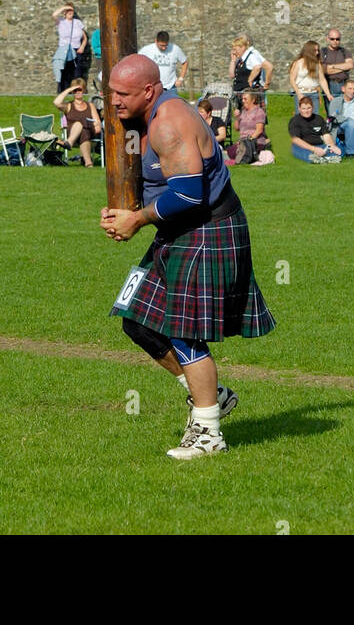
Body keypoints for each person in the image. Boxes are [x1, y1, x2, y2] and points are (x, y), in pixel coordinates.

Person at [100, 55, 274, 460]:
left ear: (149, 90)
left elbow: (187, 195)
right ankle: (211, 396)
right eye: (110, 92)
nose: (114, 101)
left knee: (184, 332)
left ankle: (209, 432)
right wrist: (122, 211)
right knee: (136, 321)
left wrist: (136, 221)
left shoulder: (169, 123)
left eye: (122, 94)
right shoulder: (143, 116)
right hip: (177, 230)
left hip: (206, 228)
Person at [54, 78, 102, 167]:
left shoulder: (90, 105)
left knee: (84, 128)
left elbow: (97, 121)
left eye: (80, 89)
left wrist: (98, 125)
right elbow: (56, 102)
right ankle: (88, 163)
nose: (78, 92)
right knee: (81, 127)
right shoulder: (68, 106)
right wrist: (68, 90)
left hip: (91, 133)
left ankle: (68, 143)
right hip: (73, 134)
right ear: (72, 92)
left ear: (83, 90)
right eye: (75, 90)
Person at [287, 95, 342, 164]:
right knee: (307, 154)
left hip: (319, 145)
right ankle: (323, 158)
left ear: (312, 108)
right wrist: (314, 149)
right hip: (302, 147)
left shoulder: (319, 119)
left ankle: (324, 158)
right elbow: (295, 140)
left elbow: (326, 135)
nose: (306, 111)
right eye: (303, 108)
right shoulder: (295, 120)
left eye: (308, 108)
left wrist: (332, 146)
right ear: (299, 109)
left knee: (339, 149)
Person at [51, 3, 88, 92]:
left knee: (77, 74)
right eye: (67, 11)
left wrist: (82, 46)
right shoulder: (61, 22)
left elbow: (84, 37)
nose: (69, 12)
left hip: (76, 50)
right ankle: (62, 93)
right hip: (65, 51)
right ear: (64, 12)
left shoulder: (78, 22)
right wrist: (65, 7)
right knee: (63, 73)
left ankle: (77, 92)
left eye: (71, 10)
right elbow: (54, 15)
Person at [288, 41, 332, 115]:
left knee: (315, 116)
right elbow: (292, 79)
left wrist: (328, 94)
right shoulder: (298, 62)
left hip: (314, 93)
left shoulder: (317, 64)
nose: (317, 53)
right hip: (301, 92)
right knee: (301, 117)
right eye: (315, 51)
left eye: (318, 50)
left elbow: (322, 80)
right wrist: (298, 94)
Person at [229, 36, 273, 102]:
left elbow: (258, 67)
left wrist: (250, 80)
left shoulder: (251, 56)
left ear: (243, 47)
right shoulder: (241, 59)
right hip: (241, 95)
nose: (234, 52)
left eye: (236, 50)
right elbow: (232, 75)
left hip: (250, 96)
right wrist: (233, 61)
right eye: (233, 50)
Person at [232, 89, 269, 165]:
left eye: (245, 99)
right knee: (231, 151)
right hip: (242, 142)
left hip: (255, 142)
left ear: (253, 100)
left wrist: (248, 141)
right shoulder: (243, 111)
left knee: (239, 153)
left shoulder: (259, 111)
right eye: (242, 98)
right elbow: (236, 128)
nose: (243, 101)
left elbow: (259, 130)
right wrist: (237, 118)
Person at [320, 29, 354, 97]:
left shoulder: (345, 51)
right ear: (327, 39)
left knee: (344, 107)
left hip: (344, 84)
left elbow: (350, 65)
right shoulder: (322, 52)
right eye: (332, 39)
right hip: (329, 84)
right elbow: (324, 70)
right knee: (331, 107)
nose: (335, 41)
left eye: (337, 39)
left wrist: (332, 66)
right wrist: (343, 68)